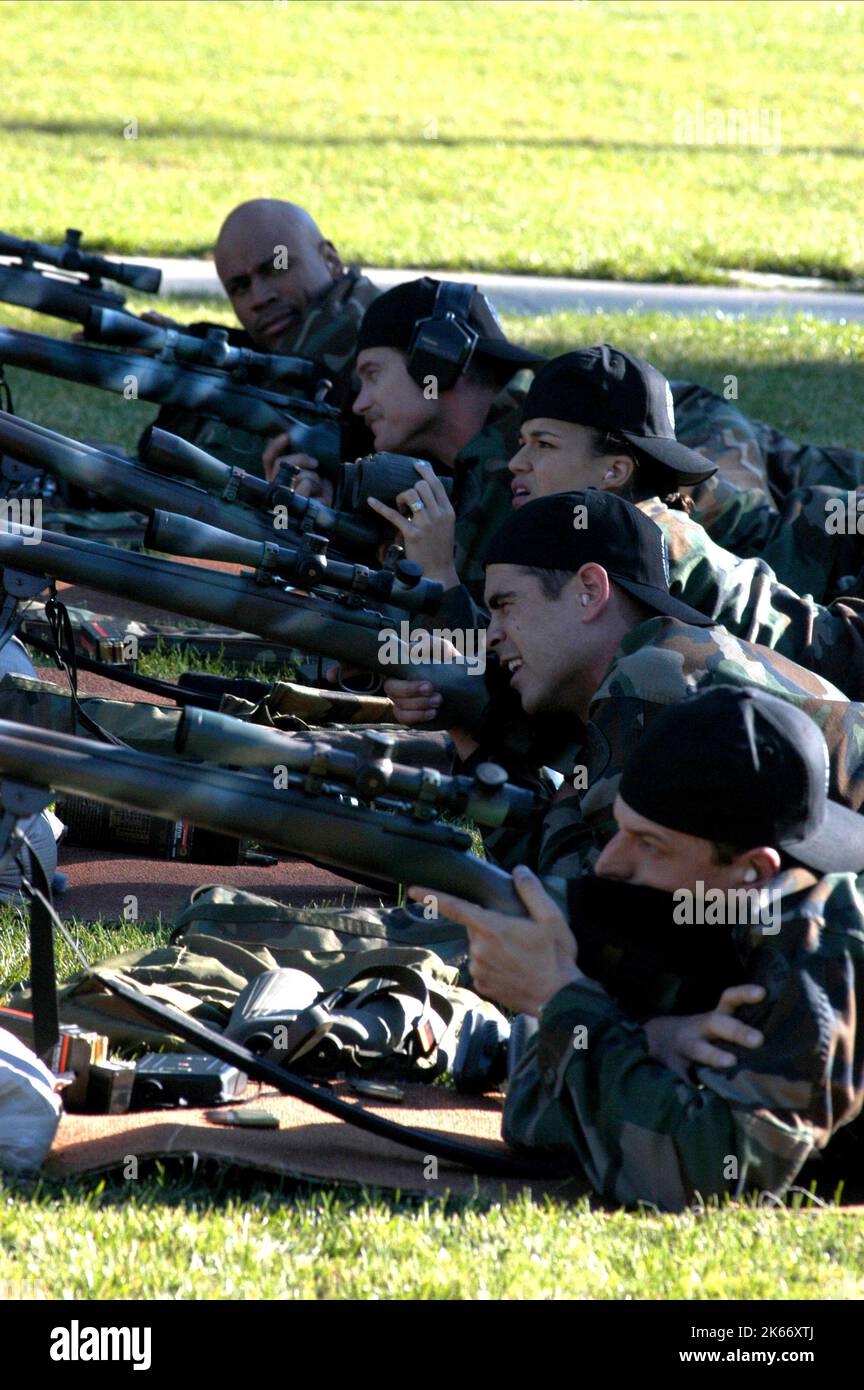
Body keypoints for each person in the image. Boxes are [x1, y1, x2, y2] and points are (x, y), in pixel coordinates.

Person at [408, 685, 864, 1209]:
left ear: (754, 870)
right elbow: (534, 1115)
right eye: (620, 830)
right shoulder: (706, 923)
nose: (609, 864)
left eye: (650, 845)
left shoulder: (821, 946)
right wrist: (648, 1038)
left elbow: (713, 1183)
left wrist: (564, 999)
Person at [386, 490, 864, 881]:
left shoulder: (649, 679)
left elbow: (585, 896)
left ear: (588, 591)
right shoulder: (661, 659)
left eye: (506, 605)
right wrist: (473, 730)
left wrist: (486, 741)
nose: (491, 635)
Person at [454, 347, 864, 694]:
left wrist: (439, 577)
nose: (516, 463)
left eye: (543, 444)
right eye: (522, 443)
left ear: (614, 471)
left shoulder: (640, 540)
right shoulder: (600, 535)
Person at [145, 199, 381, 472]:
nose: (259, 298)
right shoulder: (347, 315)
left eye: (277, 268)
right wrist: (185, 342)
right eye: (240, 287)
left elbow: (205, 468)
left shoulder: (356, 325)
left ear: (330, 260)